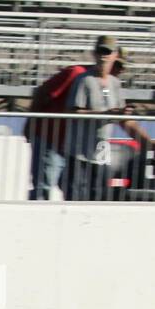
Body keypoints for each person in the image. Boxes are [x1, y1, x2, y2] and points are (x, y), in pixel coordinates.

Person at [65, 37, 152, 201]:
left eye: (107, 52)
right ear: (94, 54)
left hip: (100, 156)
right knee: (75, 202)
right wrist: (105, 113)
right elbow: (73, 112)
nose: (103, 56)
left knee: (99, 202)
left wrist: (148, 142)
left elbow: (124, 121)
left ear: (114, 55)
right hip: (79, 156)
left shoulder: (115, 84)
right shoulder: (84, 80)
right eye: (100, 51)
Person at [25, 62, 88, 200]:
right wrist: (31, 122)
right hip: (50, 138)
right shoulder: (76, 72)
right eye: (117, 66)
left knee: (74, 192)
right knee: (43, 190)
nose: (119, 70)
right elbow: (42, 92)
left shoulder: (109, 83)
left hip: (72, 148)